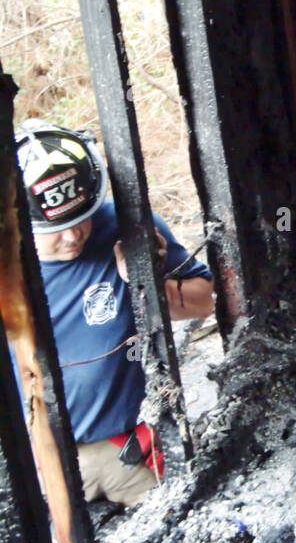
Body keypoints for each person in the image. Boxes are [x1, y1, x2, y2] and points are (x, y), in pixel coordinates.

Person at [14, 120, 213, 507]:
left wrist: (146, 284)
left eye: (80, 218)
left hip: (125, 447)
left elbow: (205, 301)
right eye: (55, 229)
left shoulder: (124, 227)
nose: (74, 236)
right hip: (38, 461)